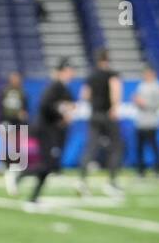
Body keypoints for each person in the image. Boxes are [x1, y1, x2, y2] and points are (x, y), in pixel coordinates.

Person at [9, 60, 74, 203]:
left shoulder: (64, 88)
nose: (71, 74)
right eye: (69, 71)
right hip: (45, 130)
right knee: (47, 165)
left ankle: (33, 196)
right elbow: (45, 106)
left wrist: (67, 112)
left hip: (52, 130)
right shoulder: (55, 87)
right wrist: (61, 115)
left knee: (49, 166)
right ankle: (20, 175)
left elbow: (70, 105)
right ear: (62, 71)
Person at [81, 49, 123, 196]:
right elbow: (115, 90)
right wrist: (114, 107)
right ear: (107, 59)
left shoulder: (92, 76)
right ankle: (111, 182)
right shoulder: (111, 75)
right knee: (116, 147)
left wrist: (94, 103)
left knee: (91, 148)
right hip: (107, 114)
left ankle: (82, 181)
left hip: (94, 114)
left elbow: (85, 95)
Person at [131, 66, 159, 177]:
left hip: (152, 122)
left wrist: (144, 103)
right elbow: (136, 102)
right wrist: (136, 101)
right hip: (140, 122)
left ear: (152, 73)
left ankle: (158, 170)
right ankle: (141, 171)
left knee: (154, 147)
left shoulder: (158, 87)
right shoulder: (141, 85)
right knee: (139, 148)